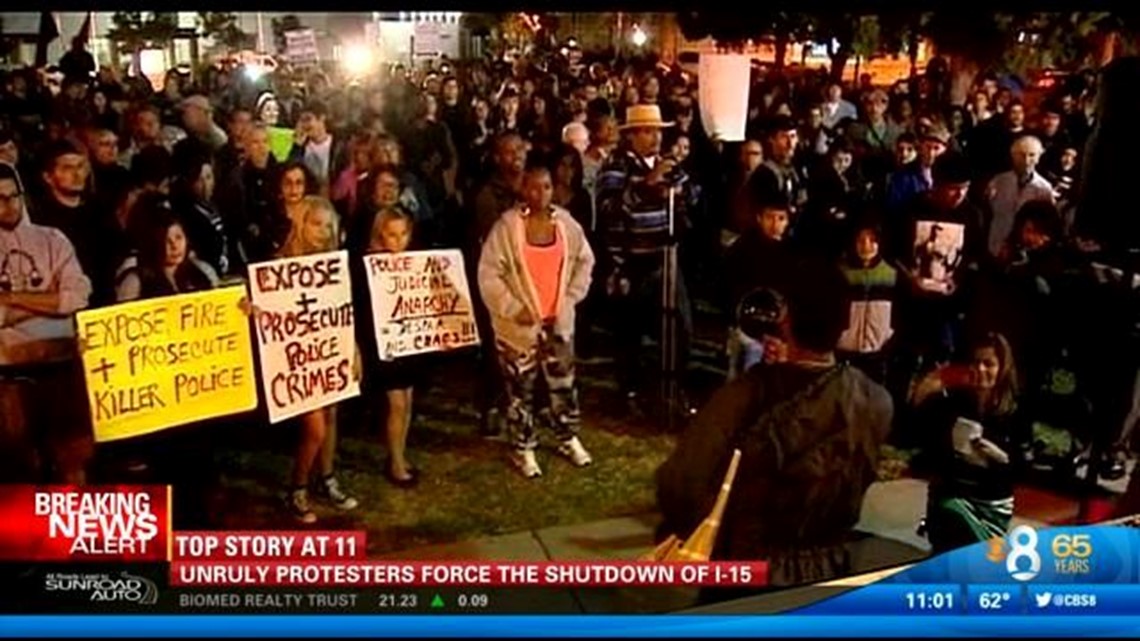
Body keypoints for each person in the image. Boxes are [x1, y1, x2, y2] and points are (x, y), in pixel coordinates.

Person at [656, 257, 893, 588]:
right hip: (832, 569)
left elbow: (680, 485)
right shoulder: (875, 401)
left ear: (785, 320)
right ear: (845, 323)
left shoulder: (747, 396)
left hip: (750, 576)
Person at [478, 164, 596, 478]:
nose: (540, 193)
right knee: (520, 390)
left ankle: (567, 436)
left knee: (564, 385)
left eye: (546, 187)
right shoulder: (507, 227)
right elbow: (489, 274)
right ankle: (523, 446)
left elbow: (585, 261)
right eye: (533, 187)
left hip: (558, 322)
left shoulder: (566, 224)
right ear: (523, 189)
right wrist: (512, 307)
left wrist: (570, 298)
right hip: (518, 327)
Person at [0, 162, 93, 483]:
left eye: (13, 196)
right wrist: (50, 301)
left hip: (62, 365)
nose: (9, 204)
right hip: (10, 375)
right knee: (21, 467)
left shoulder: (52, 239)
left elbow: (77, 296)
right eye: (0, 198)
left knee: (73, 457)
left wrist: (11, 299)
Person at [273, 196, 360, 522]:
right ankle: (296, 488)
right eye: (316, 224)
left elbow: (342, 312)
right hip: (299, 360)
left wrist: (353, 349)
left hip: (329, 353)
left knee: (331, 416)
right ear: (301, 224)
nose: (323, 232)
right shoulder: (281, 264)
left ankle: (326, 478)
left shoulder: (333, 265)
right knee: (315, 428)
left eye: (328, 226)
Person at [910, 332, 1028, 553]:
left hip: (990, 500)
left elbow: (1022, 468)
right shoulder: (954, 401)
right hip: (953, 492)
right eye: (975, 362)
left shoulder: (1016, 411)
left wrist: (998, 456)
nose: (980, 369)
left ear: (1002, 368)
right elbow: (919, 437)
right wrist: (923, 394)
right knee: (948, 512)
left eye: (988, 364)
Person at [355, 206, 428, 488]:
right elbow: (361, 309)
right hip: (384, 344)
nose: (399, 241)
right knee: (396, 404)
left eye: (403, 234)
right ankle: (395, 463)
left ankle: (400, 454)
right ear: (380, 235)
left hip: (408, 341)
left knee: (407, 401)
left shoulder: (414, 262)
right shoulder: (368, 266)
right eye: (392, 235)